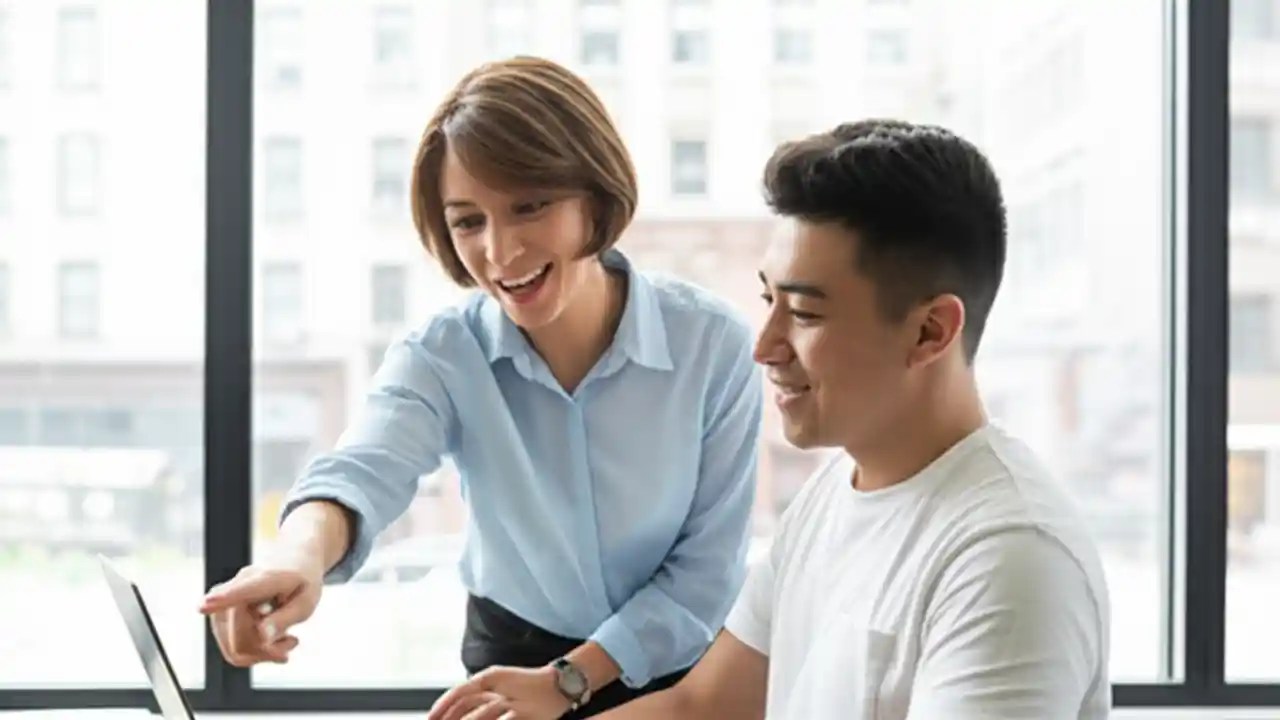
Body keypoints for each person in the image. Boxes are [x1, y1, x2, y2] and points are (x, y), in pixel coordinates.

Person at [198, 56, 762, 719]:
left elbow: (706, 576)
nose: (500, 251)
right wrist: (298, 558)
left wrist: (568, 683)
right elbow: (362, 469)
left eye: (531, 207)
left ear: (595, 195)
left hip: (680, 677)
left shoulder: (711, 343)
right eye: (469, 221)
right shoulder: (441, 353)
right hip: (512, 662)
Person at [594, 119, 1112, 720]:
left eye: (805, 314)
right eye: (769, 302)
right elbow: (701, 706)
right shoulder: (834, 492)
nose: (764, 346)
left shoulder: (1011, 559)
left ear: (930, 331)